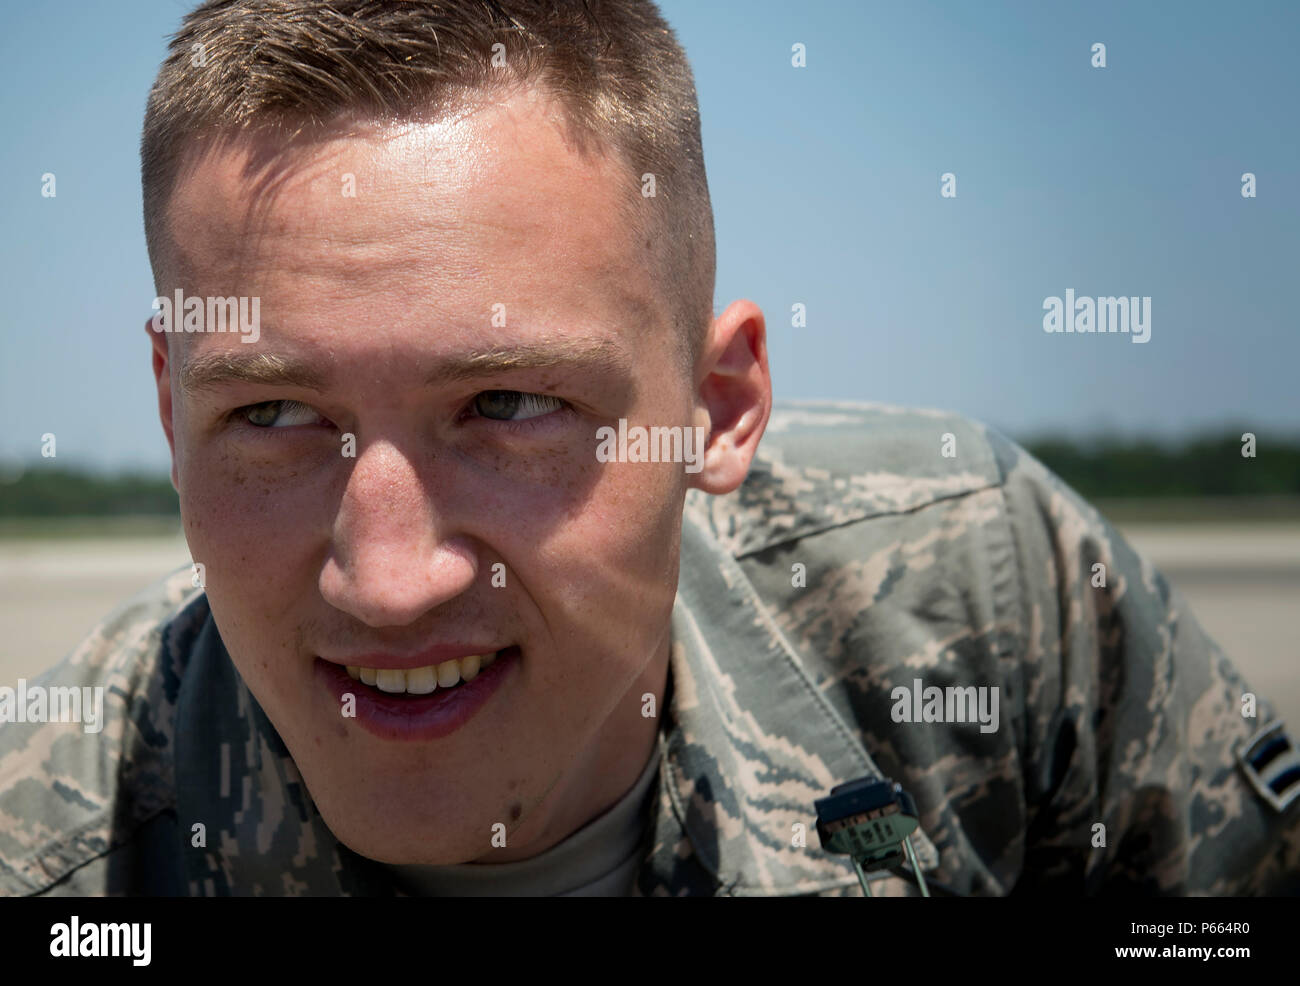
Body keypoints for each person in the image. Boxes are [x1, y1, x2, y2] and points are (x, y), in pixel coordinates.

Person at [1, 0, 1296, 897]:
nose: (388, 583)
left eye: (508, 406)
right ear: (174, 414)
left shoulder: (989, 609)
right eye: (275, 416)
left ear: (719, 407)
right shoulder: (52, 842)